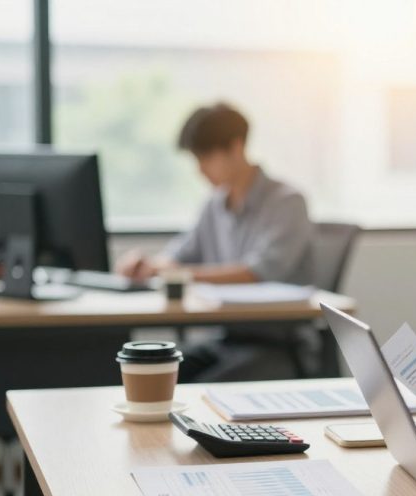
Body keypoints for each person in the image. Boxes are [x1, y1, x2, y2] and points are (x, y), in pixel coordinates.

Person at [115, 102, 315, 382]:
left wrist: (173, 273)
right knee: (152, 376)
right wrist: (147, 265)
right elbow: (181, 255)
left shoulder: (287, 202)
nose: (200, 170)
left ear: (236, 147)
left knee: (198, 392)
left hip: (277, 346)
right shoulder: (214, 204)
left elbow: (256, 273)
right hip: (225, 339)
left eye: (206, 158)